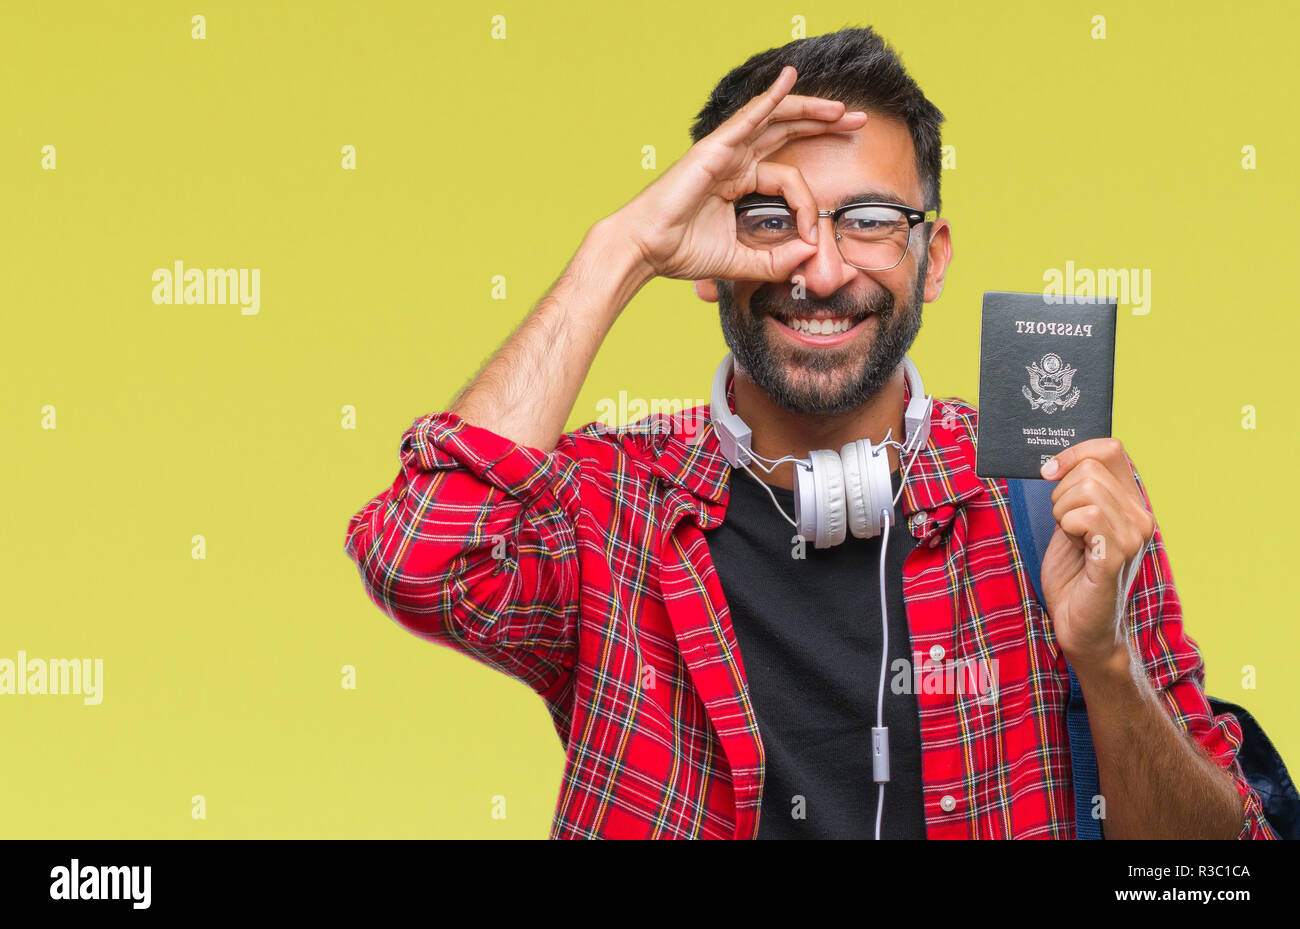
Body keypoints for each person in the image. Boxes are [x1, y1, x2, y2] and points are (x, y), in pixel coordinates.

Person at [343, 26, 1274, 839]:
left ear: (932, 258)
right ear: (706, 253)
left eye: (870, 220)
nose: (820, 270)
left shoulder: (1052, 494)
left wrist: (1106, 661)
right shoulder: (613, 507)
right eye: (769, 218)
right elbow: (418, 560)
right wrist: (620, 249)